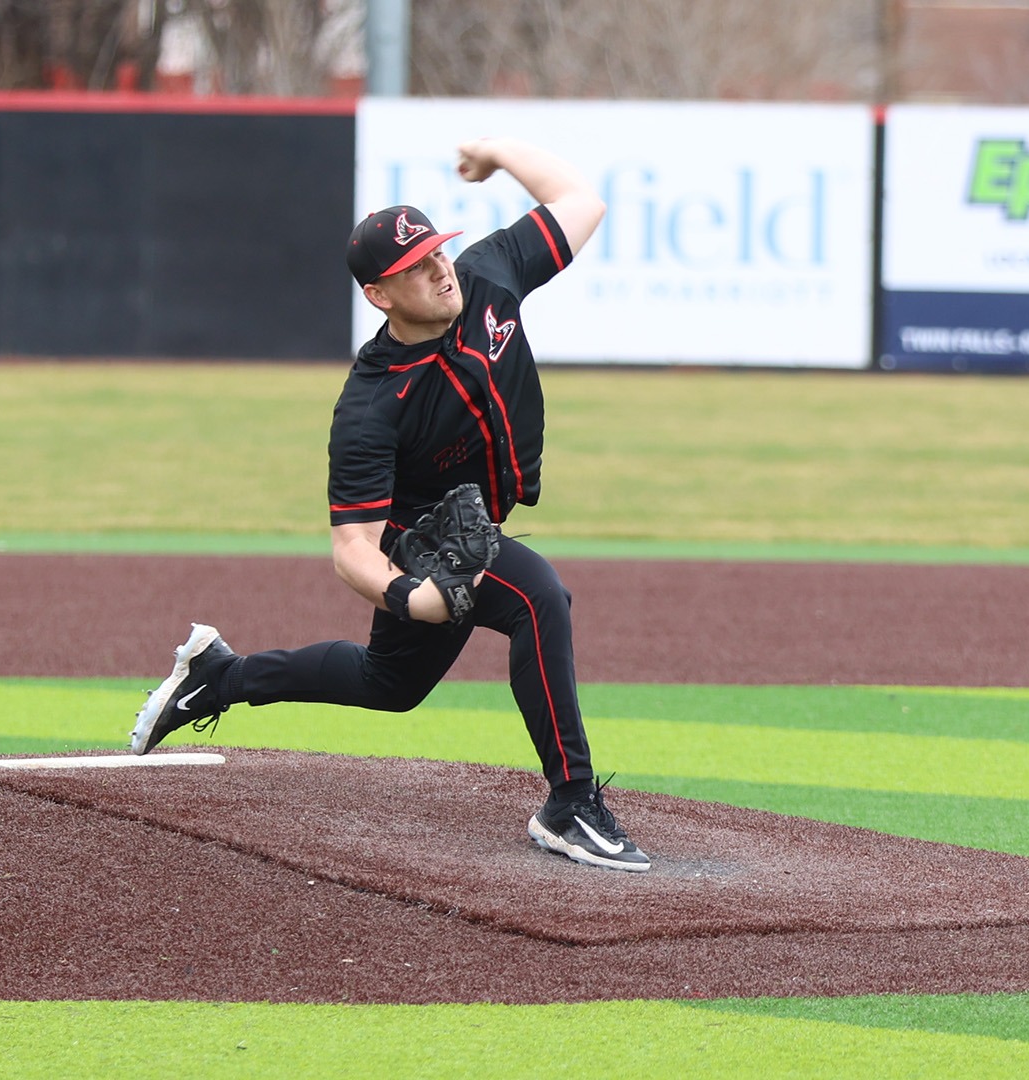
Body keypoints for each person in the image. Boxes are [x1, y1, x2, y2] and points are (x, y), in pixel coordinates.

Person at [130, 137, 649, 873]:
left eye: (438, 250)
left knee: (390, 685)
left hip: (471, 528)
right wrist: (410, 594)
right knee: (541, 600)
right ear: (379, 294)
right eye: (417, 266)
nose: (440, 269)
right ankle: (570, 804)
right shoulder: (372, 403)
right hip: (416, 539)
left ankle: (222, 675)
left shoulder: (489, 275)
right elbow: (352, 548)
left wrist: (501, 154)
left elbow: (581, 201)